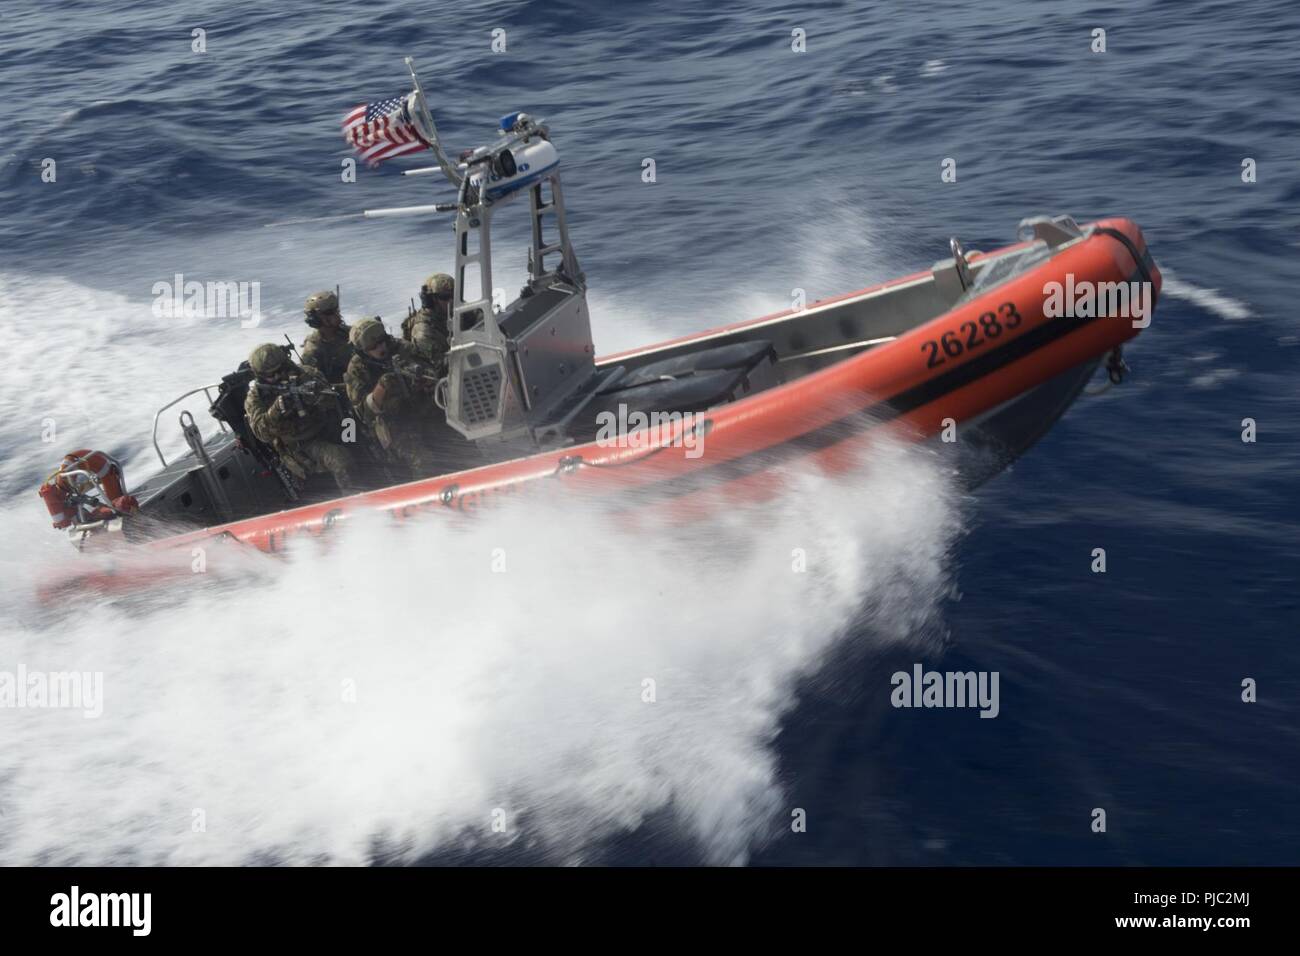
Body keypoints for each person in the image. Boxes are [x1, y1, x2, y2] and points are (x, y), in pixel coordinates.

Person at [243, 343, 358, 491]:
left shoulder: (306, 374)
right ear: (260, 376)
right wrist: (276, 410)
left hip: (329, 426)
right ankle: (355, 503)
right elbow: (262, 434)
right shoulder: (255, 398)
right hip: (302, 444)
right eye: (271, 375)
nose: (278, 376)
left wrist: (317, 398)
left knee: (358, 432)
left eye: (280, 370)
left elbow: (334, 399)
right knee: (339, 457)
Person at [344, 317, 445, 476]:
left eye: (382, 341)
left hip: (423, 408)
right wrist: (382, 387)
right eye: (373, 346)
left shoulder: (402, 348)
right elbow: (364, 413)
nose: (381, 347)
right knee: (423, 461)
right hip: (394, 424)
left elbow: (431, 370)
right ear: (362, 350)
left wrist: (424, 380)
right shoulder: (357, 369)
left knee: (456, 440)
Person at [401, 273, 453, 369]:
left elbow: (476, 313)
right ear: (432, 299)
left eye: (455, 294)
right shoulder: (423, 332)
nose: (451, 300)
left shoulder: (450, 311)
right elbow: (439, 365)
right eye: (445, 297)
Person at [300, 290, 352, 384]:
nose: (337, 314)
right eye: (330, 312)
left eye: (336, 310)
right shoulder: (313, 350)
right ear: (316, 319)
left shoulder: (348, 332)